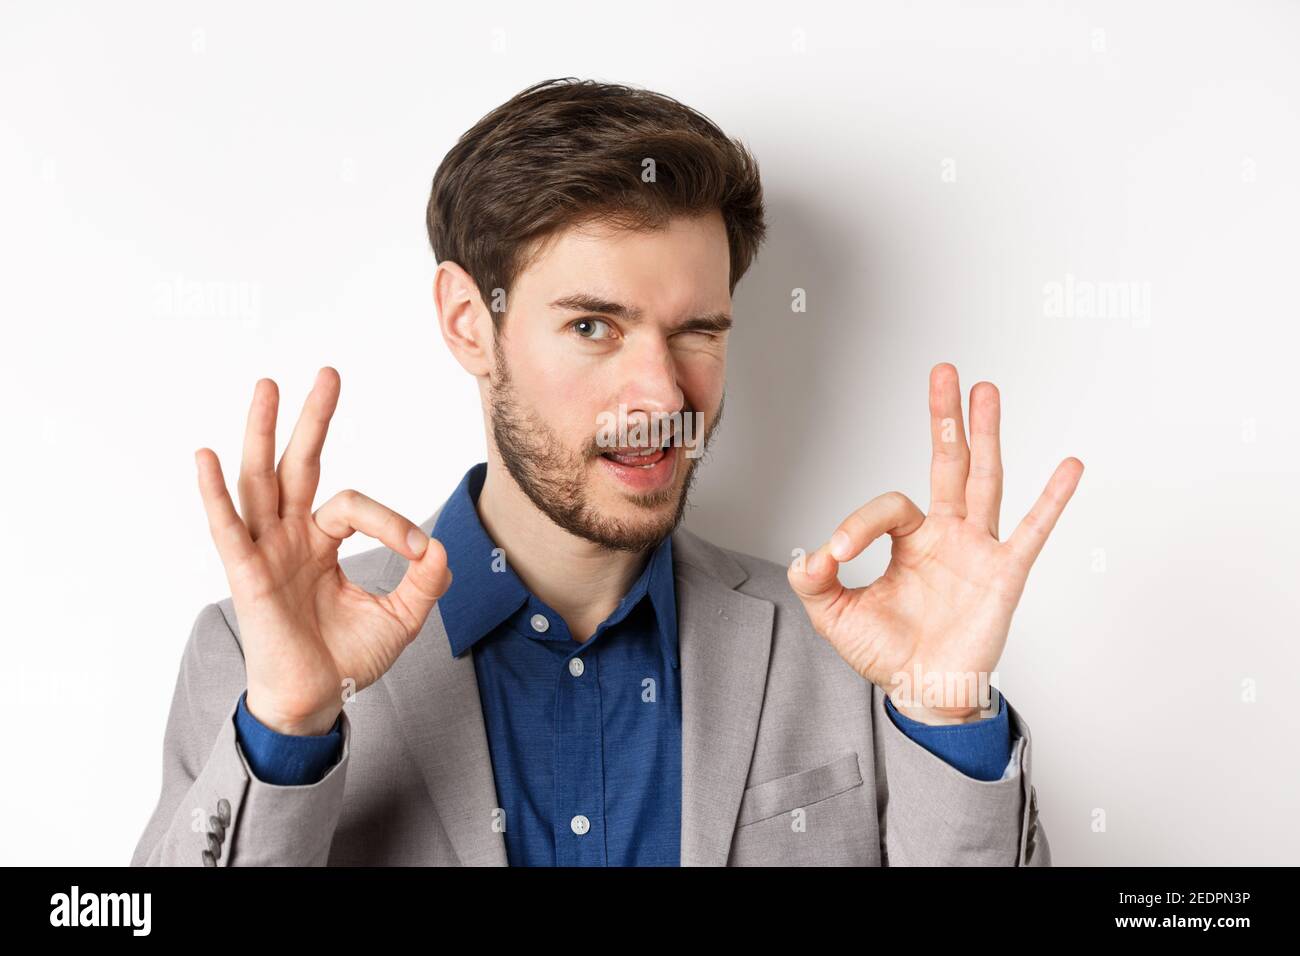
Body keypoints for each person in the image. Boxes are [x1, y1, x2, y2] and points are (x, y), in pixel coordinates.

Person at [132, 77, 1081, 867]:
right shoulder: (261, 656)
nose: (661, 392)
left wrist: (945, 711)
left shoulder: (854, 656)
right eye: (594, 326)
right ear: (471, 322)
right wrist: (289, 730)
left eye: (697, 332)